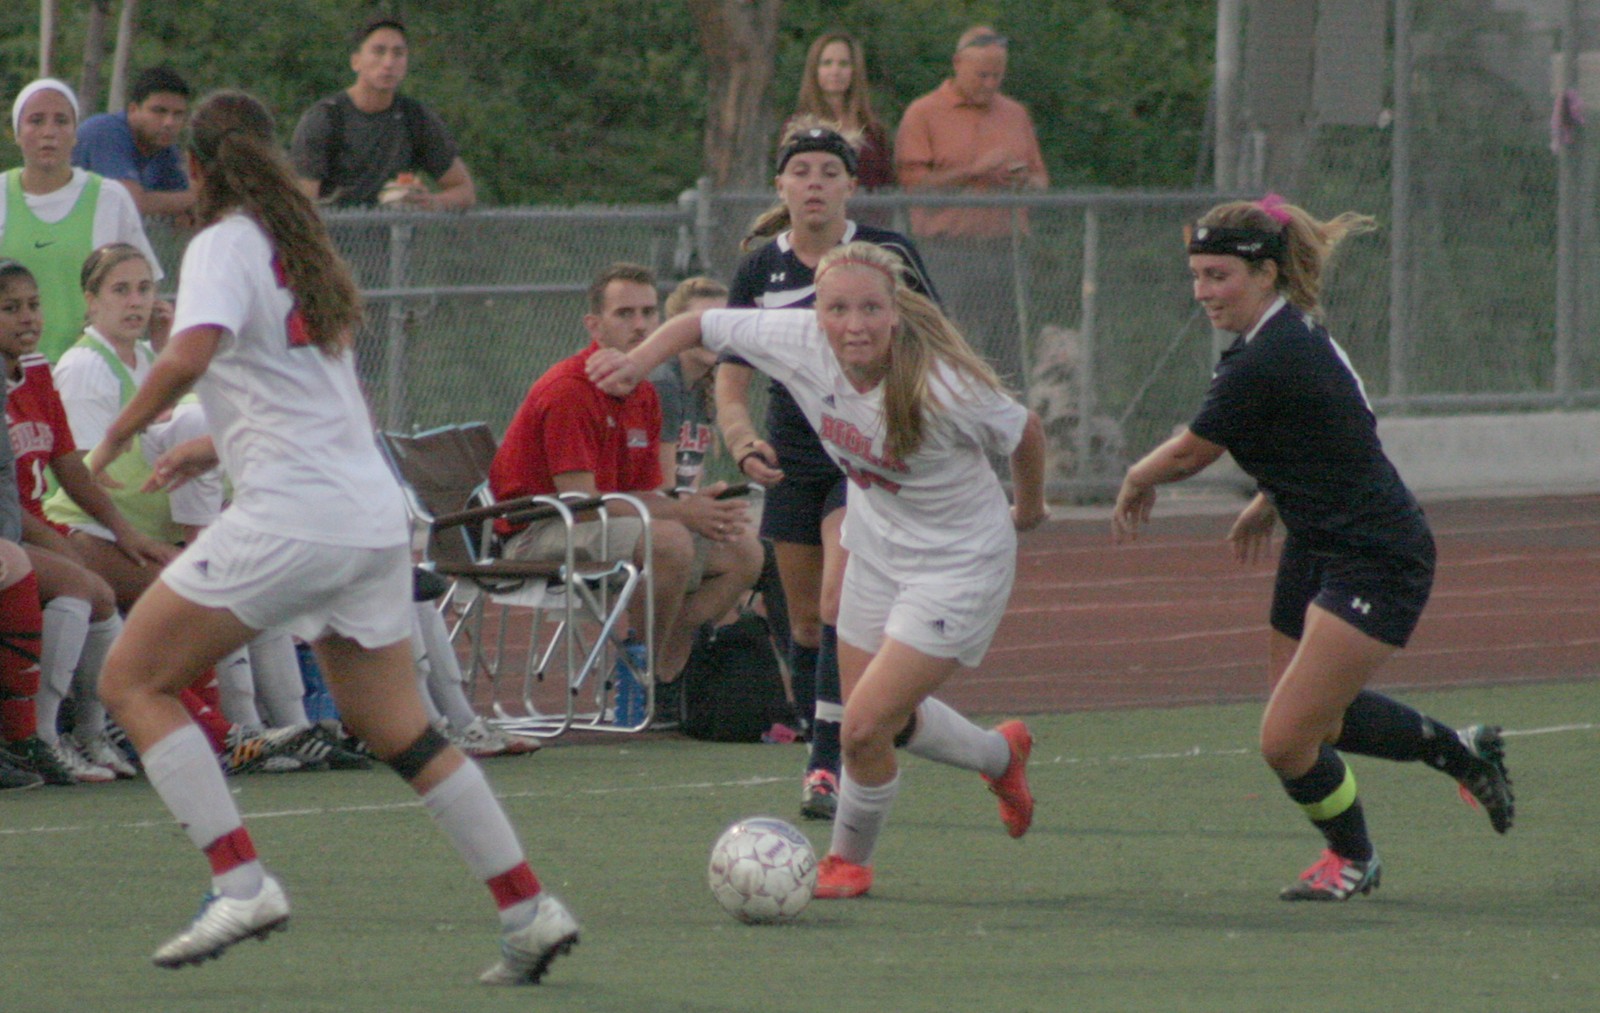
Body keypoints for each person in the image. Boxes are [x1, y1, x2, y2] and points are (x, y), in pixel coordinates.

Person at [87, 90, 576, 982]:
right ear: (272, 156)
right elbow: (311, 394)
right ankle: (529, 906)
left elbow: (190, 350)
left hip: (296, 516)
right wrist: (211, 442)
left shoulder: (219, 243)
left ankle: (239, 881)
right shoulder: (301, 245)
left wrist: (120, 433)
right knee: (396, 725)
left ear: (194, 170)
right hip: (370, 518)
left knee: (131, 677)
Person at [589, 240, 1048, 900]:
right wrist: (633, 363)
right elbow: (695, 324)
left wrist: (1027, 508)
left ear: (896, 312)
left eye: (869, 308)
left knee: (860, 726)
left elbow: (1024, 429)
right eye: (837, 308)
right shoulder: (796, 337)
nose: (853, 324)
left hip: (959, 563)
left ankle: (846, 865)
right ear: (816, 311)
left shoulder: (941, 381)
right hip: (876, 545)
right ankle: (1000, 757)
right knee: (873, 719)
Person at [1111, 195, 1515, 901]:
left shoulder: (1271, 353)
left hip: (1377, 554)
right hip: (1316, 544)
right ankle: (1460, 750)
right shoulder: (1283, 337)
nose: (1203, 292)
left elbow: (1189, 453)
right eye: (1197, 276)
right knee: (1311, 720)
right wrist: (1273, 498)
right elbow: (1339, 426)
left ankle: (1354, 858)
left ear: (1265, 273)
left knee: (1284, 739)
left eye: (1218, 276)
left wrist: (1137, 474)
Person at [716, 121, 937, 822]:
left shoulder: (886, 254)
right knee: (808, 624)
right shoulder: (761, 269)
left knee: (842, 601)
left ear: (851, 185)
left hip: (866, 454)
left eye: (828, 170)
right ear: (781, 186)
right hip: (794, 456)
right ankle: (866, 725)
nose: (814, 182)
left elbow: (934, 341)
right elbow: (730, 376)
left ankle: (828, 763)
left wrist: (906, 417)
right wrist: (743, 434)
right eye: (801, 170)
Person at [489, 263, 764, 723]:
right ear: (594, 325)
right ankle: (644, 673)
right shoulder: (569, 390)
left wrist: (696, 505)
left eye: (648, 313)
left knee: (744, 553)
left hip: (609, 519)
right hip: (538, 530)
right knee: (670, 541)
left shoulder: (644, 392)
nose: (639, 325)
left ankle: (666, 670)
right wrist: (681, 512)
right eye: (624, 314)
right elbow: (581, 503)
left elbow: (644, 491)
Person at [0, 257, 176, 784]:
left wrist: (128, 534)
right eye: (11, 308)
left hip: (28, 529)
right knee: (89, 590)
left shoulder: (35, 371)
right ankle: (42, 735)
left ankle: (89, 731)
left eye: (33, 305)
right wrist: (60, 542)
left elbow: (68, 463)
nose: (28, 317)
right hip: (27, 529)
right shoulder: (83, 367)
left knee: (130, 585)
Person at [894, 26, 1047, 384]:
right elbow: (912, 188)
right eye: (982, 75)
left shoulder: (1015, 114)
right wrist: (972, 173)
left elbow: (1042, 183)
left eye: (998, 75)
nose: (990, 84)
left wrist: (1023, 182)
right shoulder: (923, 113)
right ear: (957, 64)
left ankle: (1008, 428)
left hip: (1003, 251)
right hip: (945, 253)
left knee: (1006, 351)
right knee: (944, 347)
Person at [4, 78, 164, 362]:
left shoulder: (110, 198)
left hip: (90, 369)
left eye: (61, 121)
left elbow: (146, 286)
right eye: (36, 121)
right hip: (10, 377)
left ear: (76, 133)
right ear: (17, 132)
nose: (49, 132)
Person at [290, 14, 475, 210]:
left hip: (397, 238)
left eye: (398, 53)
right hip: (335, 236)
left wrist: (431, 202)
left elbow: (464, 190)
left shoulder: (414, 117)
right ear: (356, 62)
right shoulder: (326, 117)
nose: (388, 63)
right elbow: (303, 203)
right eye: (378, 51)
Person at [72, 66, 195, 220]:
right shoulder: (105, 131)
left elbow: (185, 212)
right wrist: (197, 197)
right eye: (159, 111)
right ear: (133, 109)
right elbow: (129, 202)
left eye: (178, 114)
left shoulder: (165, 149)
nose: (169, 122)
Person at [790, 32, 894, 190]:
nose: (835, 71)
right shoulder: (797, 129)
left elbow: (887, 186)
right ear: (815, 70)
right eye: (827, 63)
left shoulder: (873, 131)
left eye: (843, 64)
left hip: (864, 213)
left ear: (854, 70)